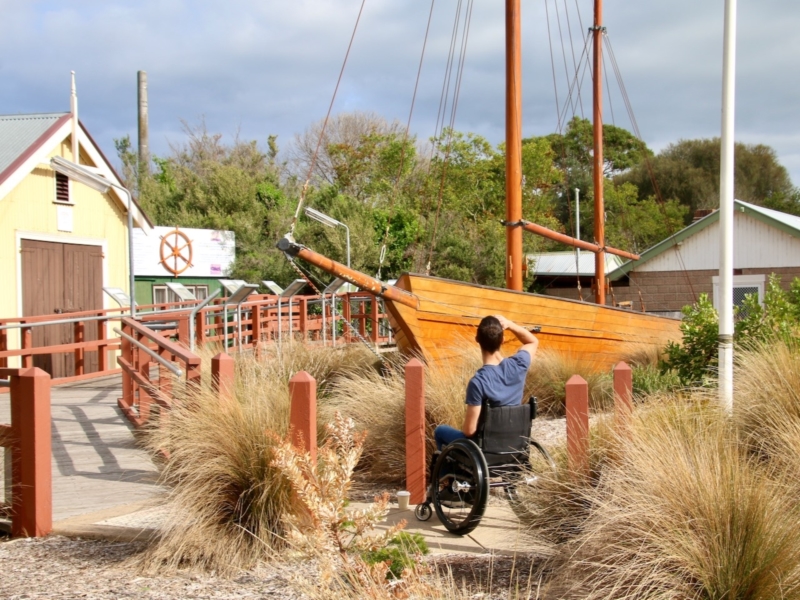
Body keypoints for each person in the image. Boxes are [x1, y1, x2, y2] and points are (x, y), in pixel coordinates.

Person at [433, 314, 538, 450]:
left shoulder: (478, 382)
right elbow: (532, 341)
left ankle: (447, 470)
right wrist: (510, 324)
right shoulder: (519, 365)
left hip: (486, 450)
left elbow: (469, 431)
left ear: (477, 340)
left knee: (440, 431)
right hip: (514, 447)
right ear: (503, 340)